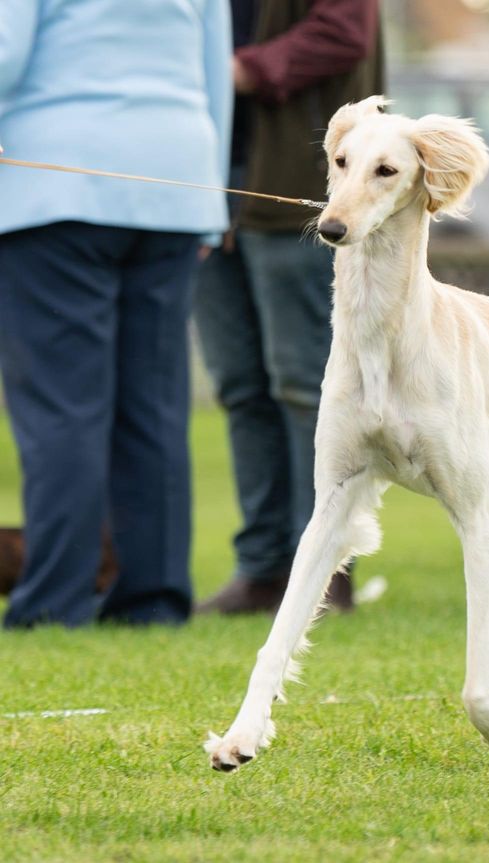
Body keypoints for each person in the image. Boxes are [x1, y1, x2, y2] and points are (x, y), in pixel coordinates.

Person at [0, 0, 232, 627]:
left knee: (62, 409)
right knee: (153, 407)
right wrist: (210, 196)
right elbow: (216, 73)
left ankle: (54, 603)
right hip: (176, 182)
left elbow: (5, 54)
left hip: (55, 182)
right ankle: (152, 600)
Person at [194, 0, 384, 614]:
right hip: (205, 183)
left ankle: (327, 570)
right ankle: (264, 567)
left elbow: (345, 31)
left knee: (306, 385)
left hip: (298, 193)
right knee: (240, 385)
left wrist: (245, 68)